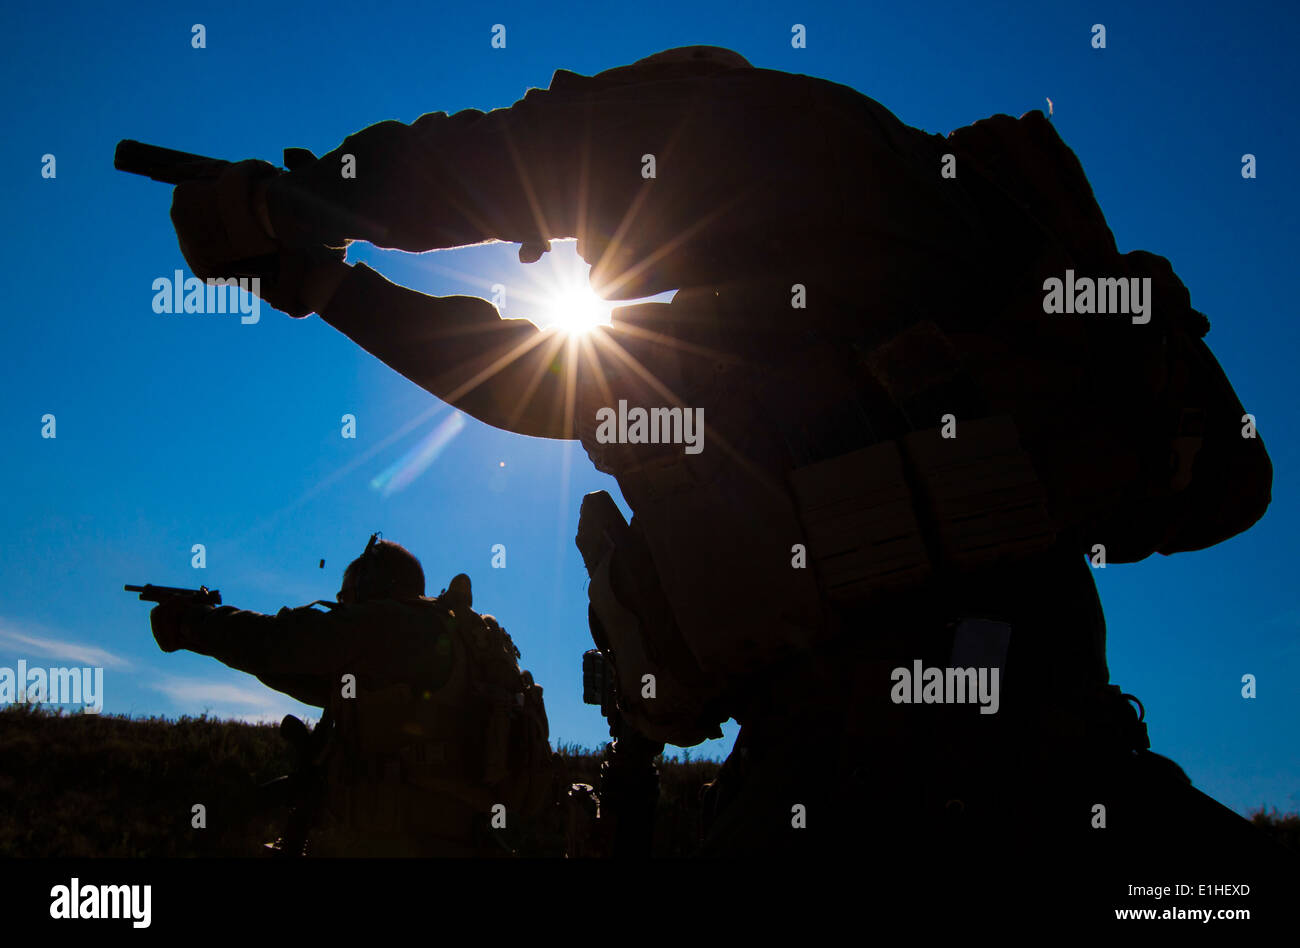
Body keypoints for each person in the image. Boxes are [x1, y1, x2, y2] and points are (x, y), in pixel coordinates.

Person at [164, 46, 1275, 868]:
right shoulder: (759, 329)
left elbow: (523, 160)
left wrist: (284, 205)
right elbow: (520, 381)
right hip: (985, 761)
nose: (582, 243)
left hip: (918, 782)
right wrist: (330, 289)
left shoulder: (806, 146)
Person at [151, 535, 553, 857]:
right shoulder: (431, 639)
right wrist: (202, 633)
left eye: (345, 598)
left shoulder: (395, 623)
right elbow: (292, 667)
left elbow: (283, 642)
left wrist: (192, 621)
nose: (342, 607)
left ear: (370, 587)